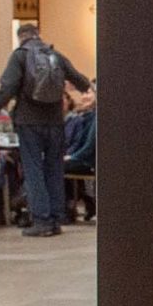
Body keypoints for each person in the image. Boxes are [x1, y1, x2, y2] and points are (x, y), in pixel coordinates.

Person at [0, 22, 93, 238]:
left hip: (29, 122)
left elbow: (8, 87)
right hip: (56, 121)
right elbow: (80, 80)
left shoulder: (20, 56)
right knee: (54, 169)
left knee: (33, 169)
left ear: (21, 38)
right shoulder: (54, 55)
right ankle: (57, 218)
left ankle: (41, 220)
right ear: (38, 35)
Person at [63, 87, 98, 221]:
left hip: (89, 162)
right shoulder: (87, 116)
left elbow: (89, 147)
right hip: (82, 158)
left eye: (88, 93)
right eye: (82, 93)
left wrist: (72, 157)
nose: (84, 97)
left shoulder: (97, 117)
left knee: (54, 168)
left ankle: (65, 209)